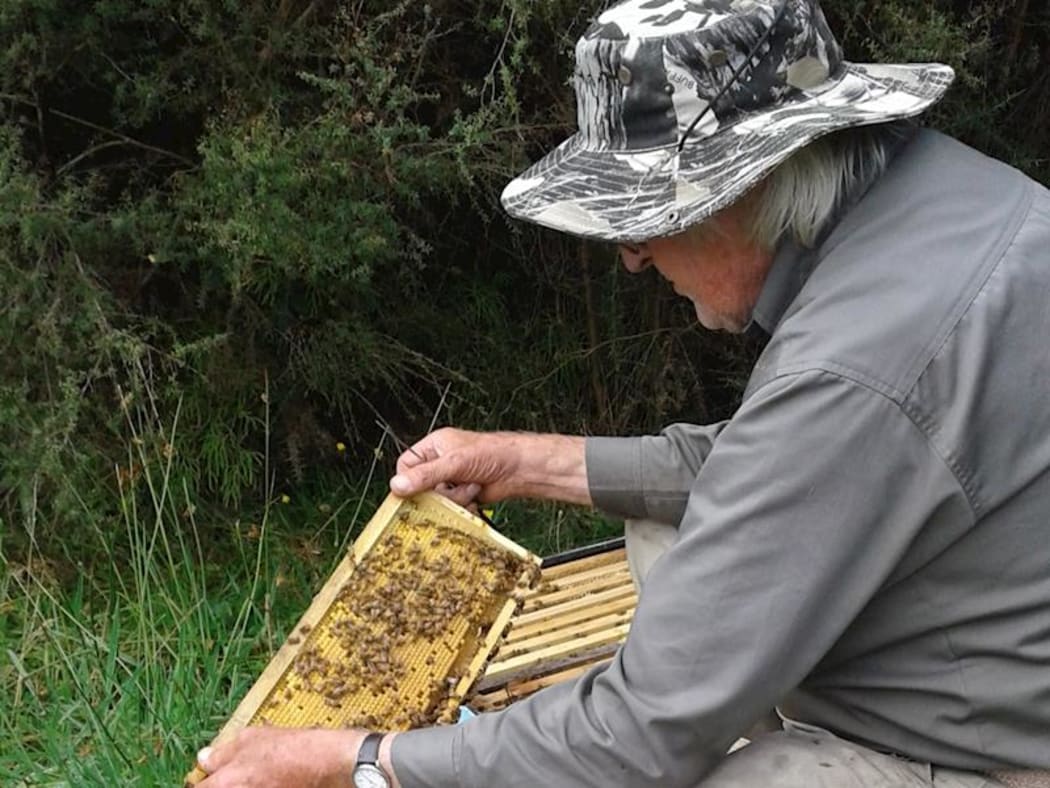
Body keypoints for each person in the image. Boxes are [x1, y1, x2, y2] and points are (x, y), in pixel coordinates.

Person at [195, 0, 1050, 786]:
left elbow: (638, 734)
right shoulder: (950, 196)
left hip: (996, 751)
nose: (633, 257)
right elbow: (785, 460)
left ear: (747, 188)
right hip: (990, 646)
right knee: (665, 521)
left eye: (642, 222)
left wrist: (356, 759)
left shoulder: (856, 364)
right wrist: (519, 461)